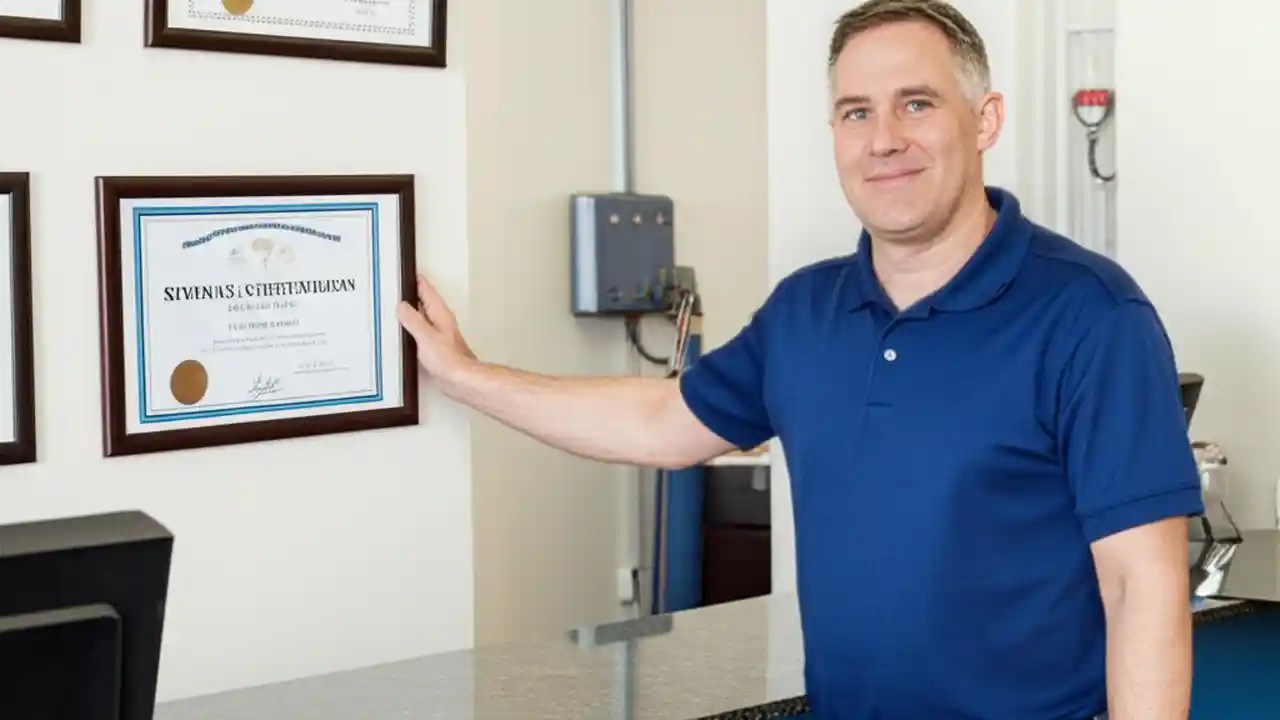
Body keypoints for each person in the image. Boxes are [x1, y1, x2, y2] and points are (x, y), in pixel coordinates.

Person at [395, 0, 1203, 717]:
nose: (883, 140)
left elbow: (1142, 589)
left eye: (915, 104)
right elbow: (659, 421)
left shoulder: (1091, 316)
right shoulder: (804, 313)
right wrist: (467, 375)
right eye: (856, 113)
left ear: (984, 119)